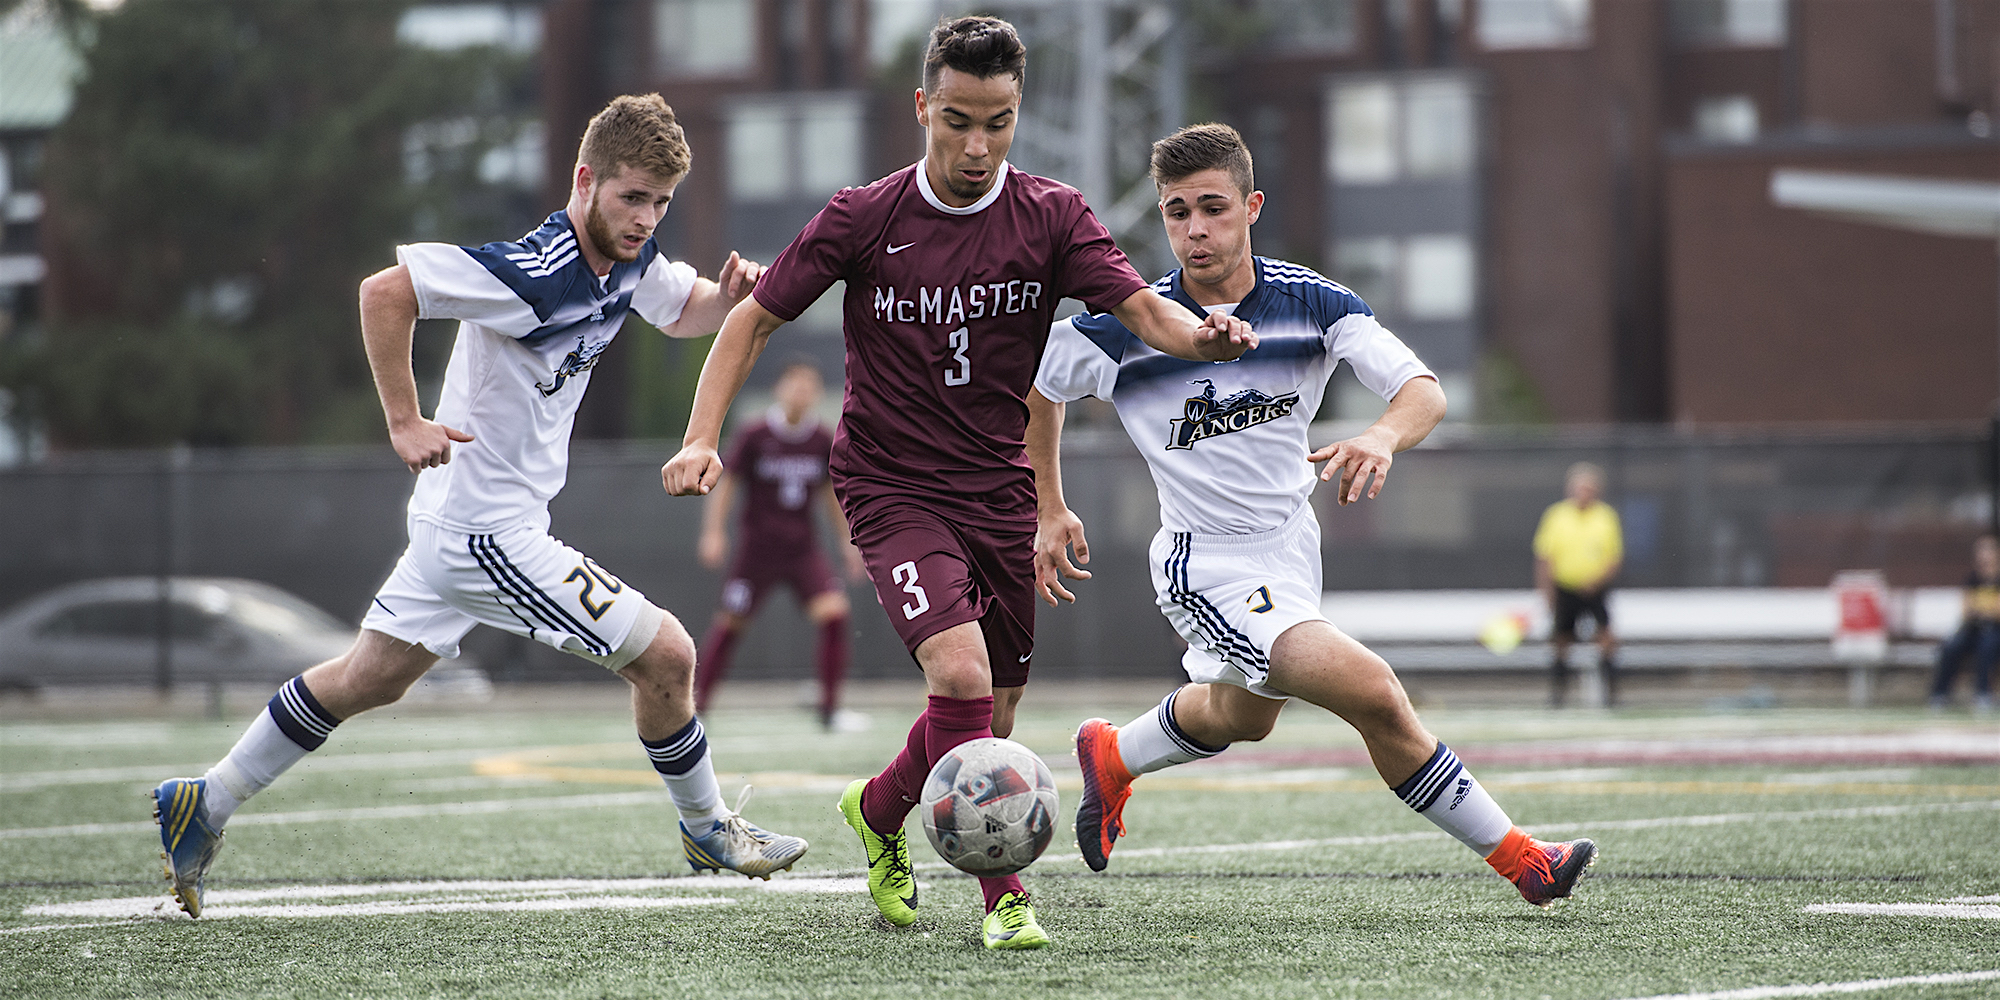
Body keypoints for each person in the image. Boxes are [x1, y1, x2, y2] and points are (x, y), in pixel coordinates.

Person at [661, 16, 1255, 950]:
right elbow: (752, 319)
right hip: (889, 485)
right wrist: (702, 438)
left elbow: (1144, 310)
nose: (978, 147)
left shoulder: (1053, 215)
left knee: (992, 713)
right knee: (963, 675)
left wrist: (1201, 338)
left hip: (998, 489)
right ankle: (1004, 897)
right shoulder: (863, 216)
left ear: (1017, 113)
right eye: (958, 121)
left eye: (999, 123)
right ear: (922, 108)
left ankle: (877, 809)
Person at [150, 95, 809, 919]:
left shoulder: (630, 261)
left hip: (462, 524)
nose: (646, 218)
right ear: (585, 181)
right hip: (483, 535)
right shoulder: (532, 272)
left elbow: (687, 312)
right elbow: (384, 292)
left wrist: (732, 297)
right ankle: (707, 827)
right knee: (668, 655)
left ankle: (204, 801)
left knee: (367, 679)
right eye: (632, 197)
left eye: (661, 202)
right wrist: (404, 419)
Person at [1030, 123, 1595, 908]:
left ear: (1252, 207)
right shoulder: (1132, 323)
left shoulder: (1312, 302)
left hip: (1292, 550)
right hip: (1207, 564)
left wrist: (1381, 435)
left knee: (1241, 718)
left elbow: (1422, 391)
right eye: (1177, 212)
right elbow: (1040, 384)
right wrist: (1050, 505)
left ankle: (1114, 753)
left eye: (1214, 208)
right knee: (1374, 691)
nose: (1196, 229)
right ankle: (1527, 861)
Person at [693, 359, 868, 729]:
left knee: (835, 615)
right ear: (779, 388)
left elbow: (830, 496)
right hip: (757, 552)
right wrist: (713, 532)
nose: (801, 392)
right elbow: (729, 485)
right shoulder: (755, 434)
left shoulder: (821, 438)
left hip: (802, 550)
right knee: (729, 624)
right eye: (795, 384)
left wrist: (847, 543)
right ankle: (696, 707)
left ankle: (830, 711)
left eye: (809, 386)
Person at [1533, 462, 1622, 707]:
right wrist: (1547, 593)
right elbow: (1545, 557)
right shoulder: (1557, 516)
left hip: (1596, 589)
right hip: (1566, 587)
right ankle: (1557, 697)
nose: (1584, 493)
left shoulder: (1605, 516)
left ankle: (1611, 697)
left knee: (1606, 638)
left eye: (1589, 488)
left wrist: (1596, 581)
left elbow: (1614, 557)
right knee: (1561, 640)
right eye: (1580, 488)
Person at [1929, 534, 1999, 713]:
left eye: (1988, 551)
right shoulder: (1972, 579)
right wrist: (1985, 610)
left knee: (1987, 647)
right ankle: (1940, 694)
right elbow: (1966, 610)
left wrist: (1981, 609)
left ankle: (1983, 694)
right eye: (1980, 552)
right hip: (1973, 629)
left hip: (1995, 630)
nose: (1984, 556)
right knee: (1951, 647)